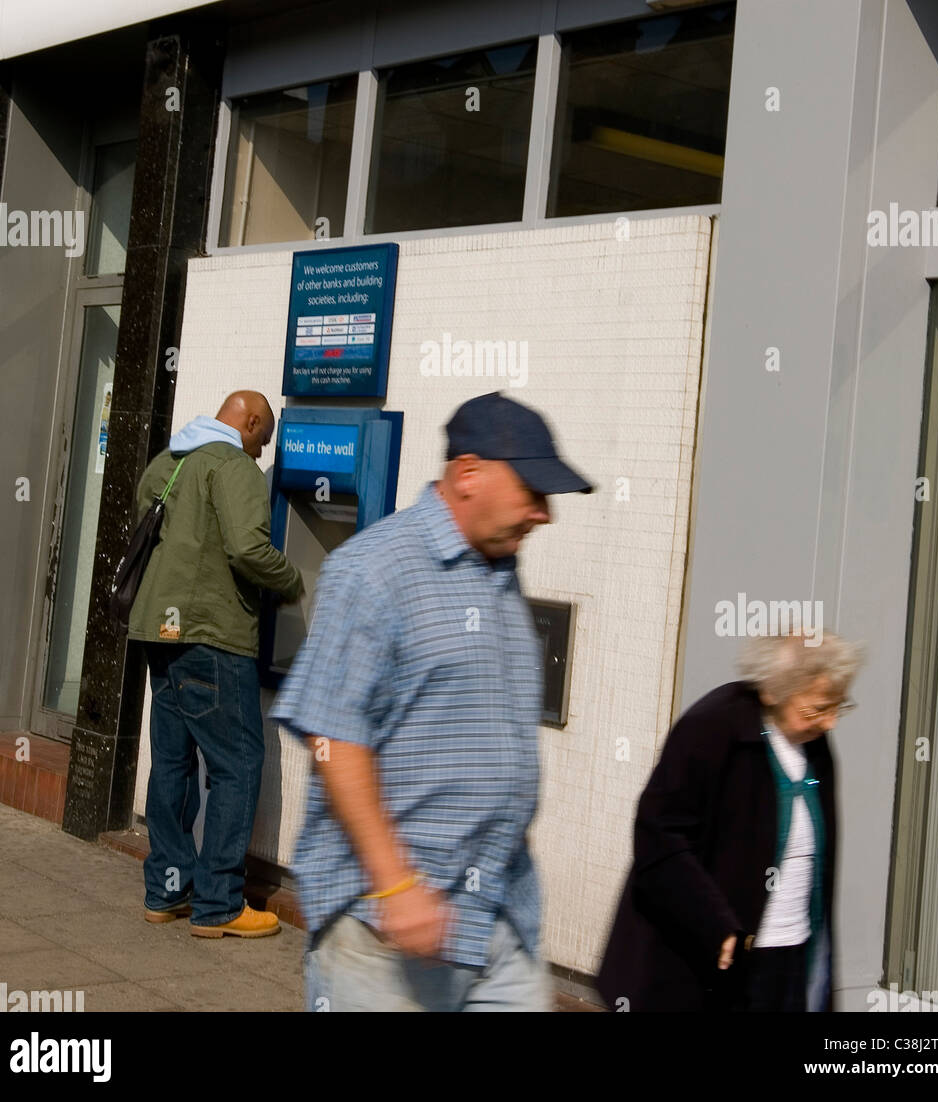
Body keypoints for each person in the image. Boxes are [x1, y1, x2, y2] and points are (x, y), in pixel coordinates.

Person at [272, 391, 594, 1011]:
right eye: (532, 490)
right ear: (468, 474)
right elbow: (333, 737)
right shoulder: (374, 570)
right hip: (390, 927)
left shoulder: (495, 571)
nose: (544, 513)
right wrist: (396, 887)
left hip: (494, 918)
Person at [596, 629, 863, 1012]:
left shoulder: (815, 747)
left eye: (838, 706)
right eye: (817, 709)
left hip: (790, 955)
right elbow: (660, 834)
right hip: (715, 961)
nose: (830, 722)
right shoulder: (714, 727)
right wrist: (715, 921)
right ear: (775, 692)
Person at [128, 390, 303, 938]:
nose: (259, 454)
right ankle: (220, 903)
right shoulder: (232, 466)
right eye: (262, 442)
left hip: (163, 630)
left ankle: (167, 890)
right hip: (213, 634)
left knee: (174, 762)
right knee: (237, 764)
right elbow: (248, 550)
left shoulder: (169, 461)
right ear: (249, 423)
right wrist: (296, 583)